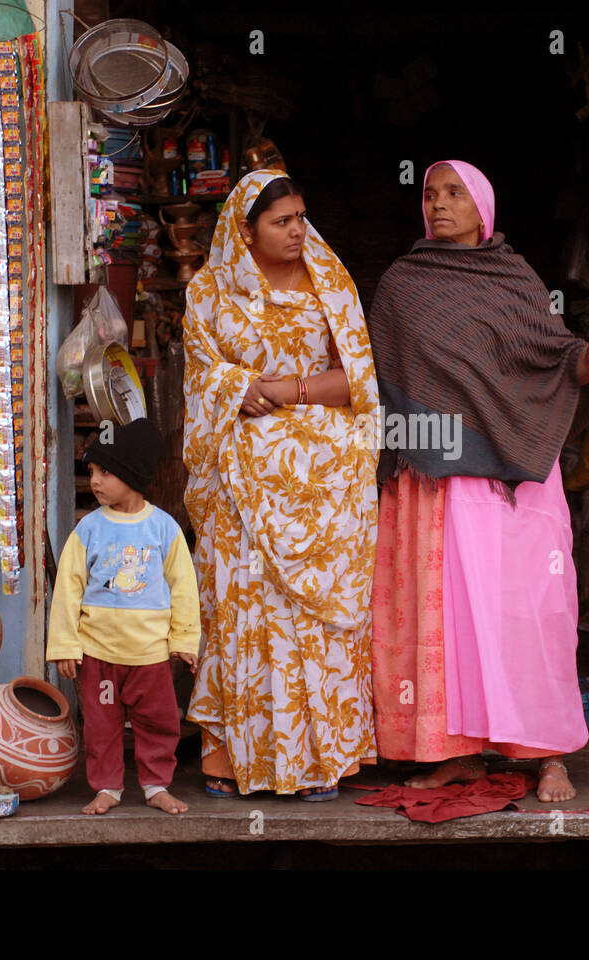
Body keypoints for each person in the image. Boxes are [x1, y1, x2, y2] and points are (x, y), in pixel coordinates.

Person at [367, 160, 589, 803]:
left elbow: (555, 358)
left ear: (484, 205)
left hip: (514, 481)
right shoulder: (403, 285)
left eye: (455, 193)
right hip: (435, 483)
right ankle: (453, 753)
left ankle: (547, 754)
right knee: (444, 624)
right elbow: (383, 383)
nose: (439, 204)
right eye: (430, 194)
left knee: (529, 616)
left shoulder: (516, 278)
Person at [182, 170, 380, 800]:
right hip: (239, 486)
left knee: (312, 621)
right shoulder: (208, 293)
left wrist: (277, 391)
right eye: (282, 221)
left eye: (301, 216)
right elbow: (202, 383)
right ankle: (230, 761)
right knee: (246, 613)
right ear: (246, 231)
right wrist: (234, 388)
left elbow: (360, 383)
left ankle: (323, 760)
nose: (298, 231)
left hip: (324, 483)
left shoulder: (331, 282)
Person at [47, 417, 201, 816]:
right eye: (93, 471)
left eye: (106, 471)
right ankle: (107, 788)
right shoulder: (88, 530)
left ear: (133, 474)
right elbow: (68, 588)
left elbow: (184, 588)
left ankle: (156, 786)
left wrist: (184, 642)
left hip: (150, 655)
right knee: (101, 726)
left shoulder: (163, 529)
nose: (95, 480)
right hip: (98, 654)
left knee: (159, 723)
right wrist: (66, 645)